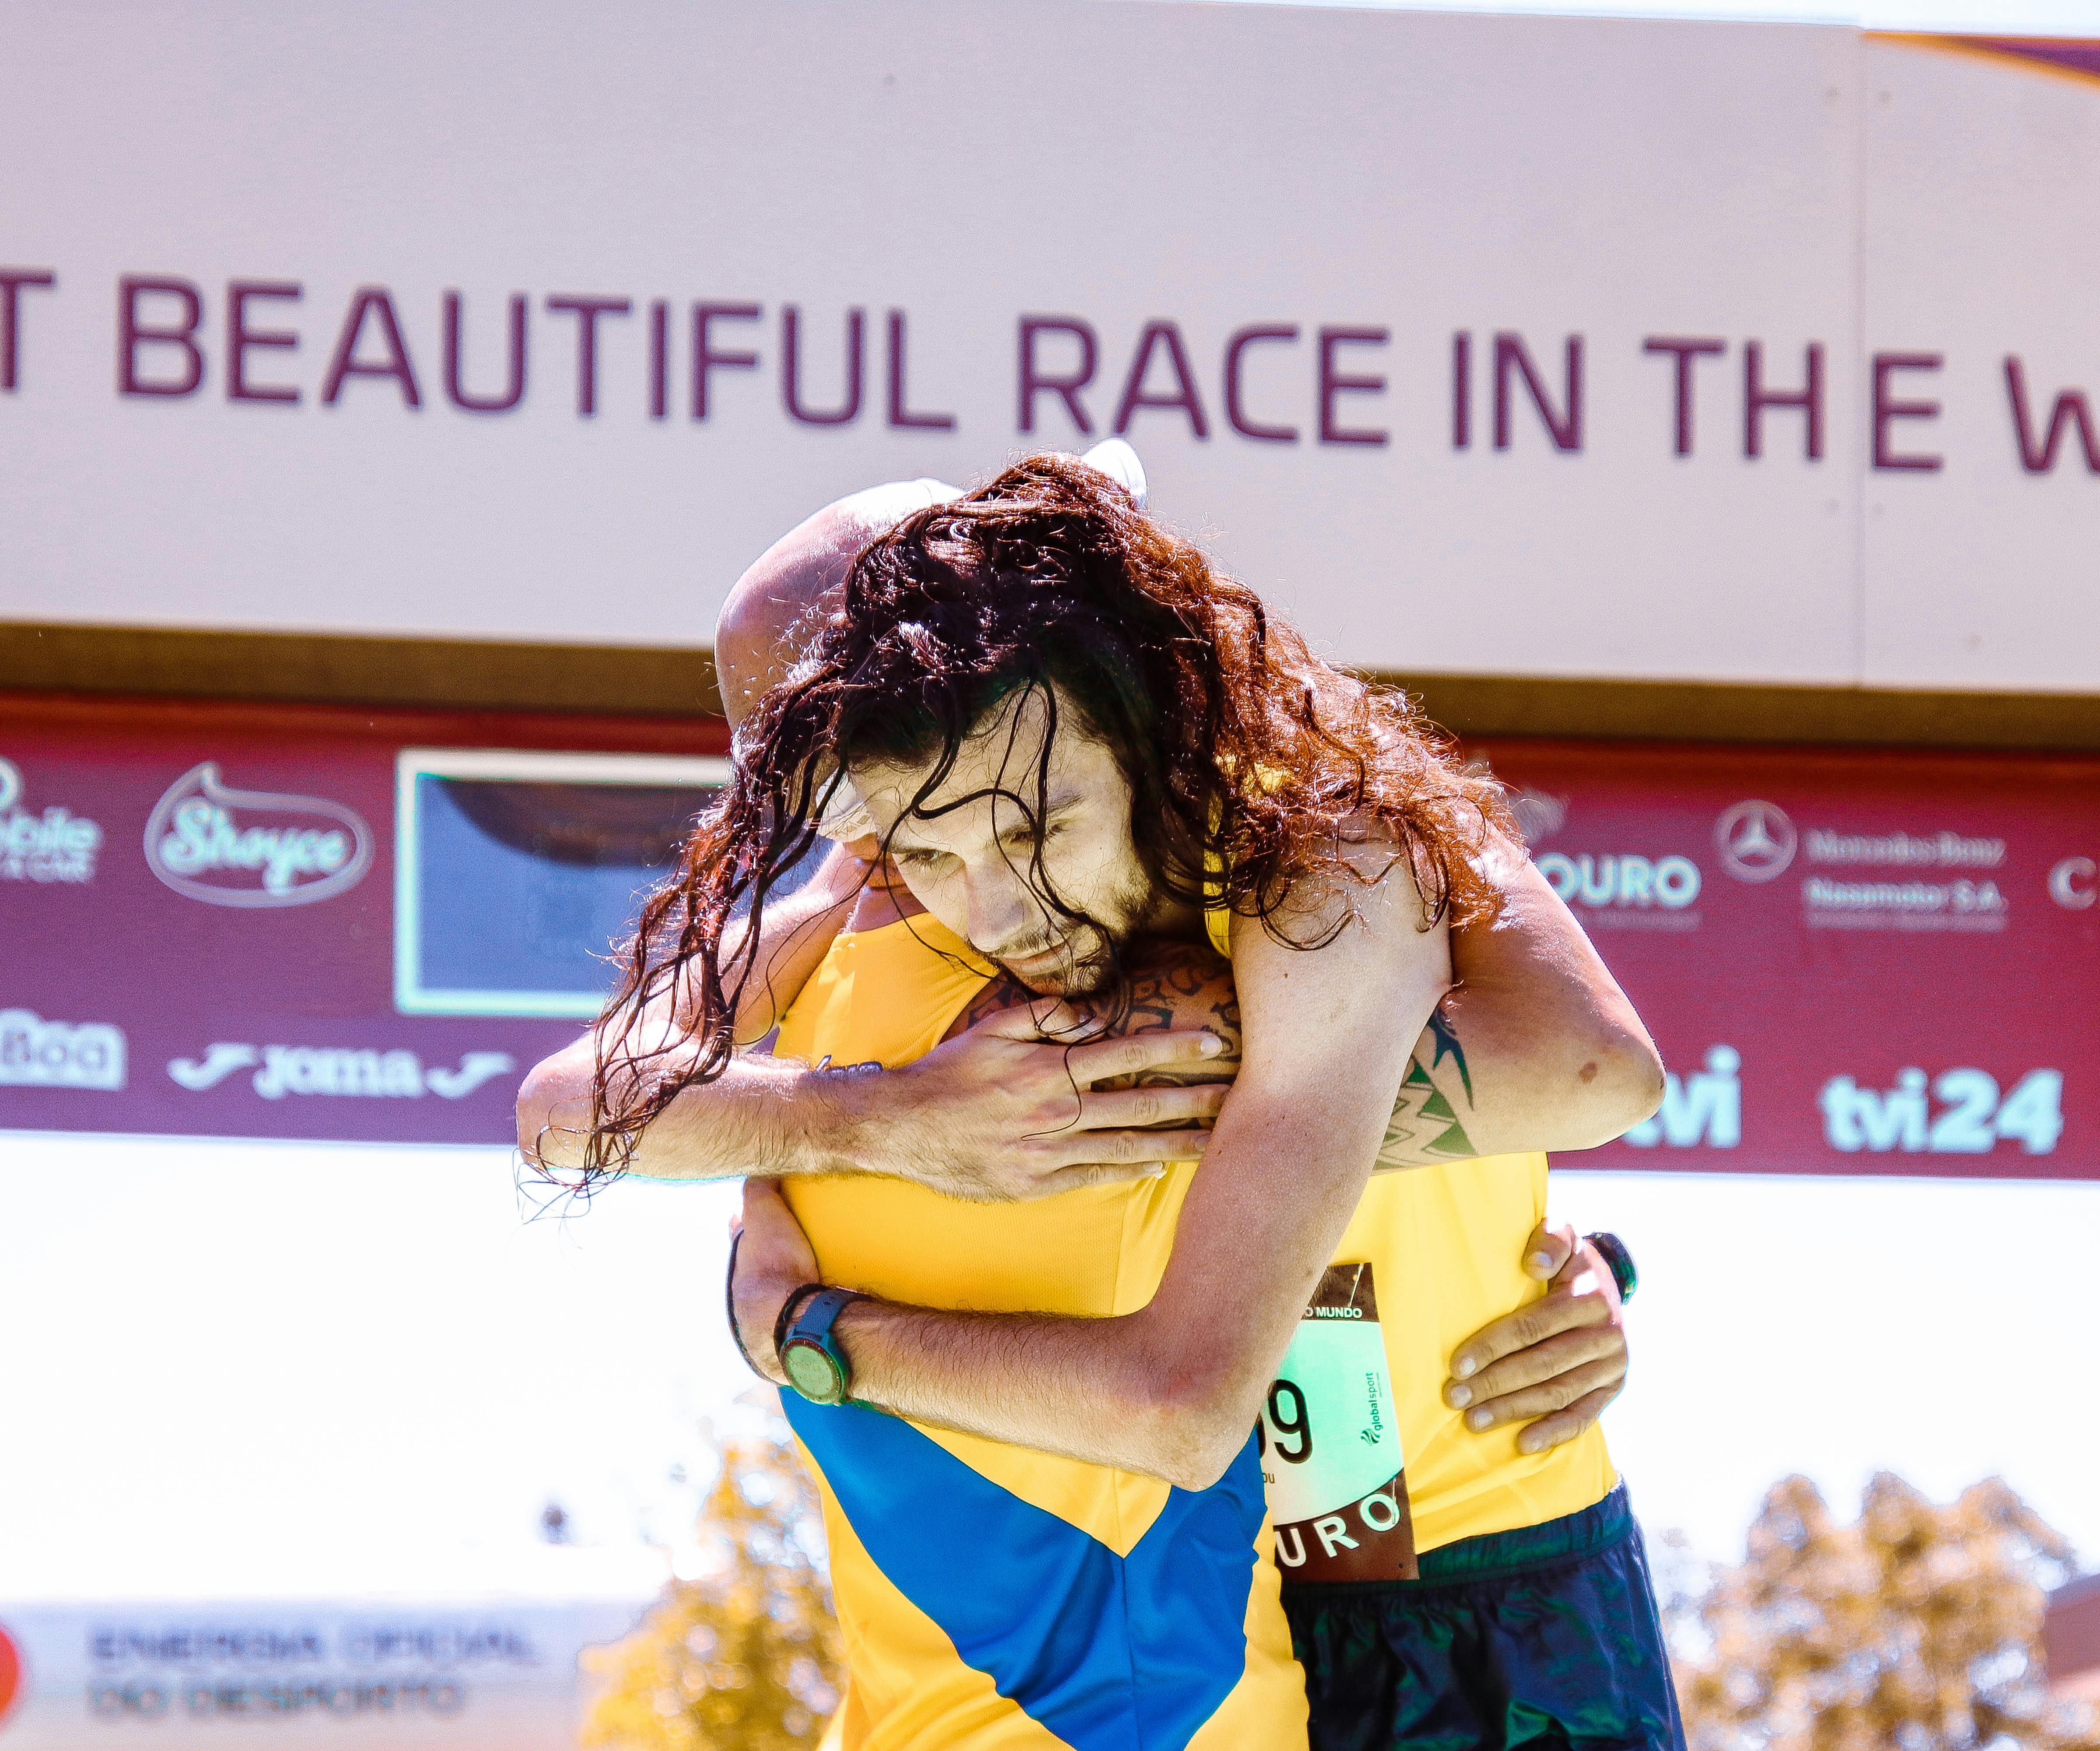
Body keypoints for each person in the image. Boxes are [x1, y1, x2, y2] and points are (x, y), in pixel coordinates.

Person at [519, 452, 1682, 1750]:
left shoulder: (1329, 799)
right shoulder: (877, 880)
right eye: (852, 800)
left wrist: (810, 1330)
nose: (978, 888)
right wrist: (884, 1117)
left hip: (1479, 1549)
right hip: (1247, 1614)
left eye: (1018, 820)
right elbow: (572, 1106)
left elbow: (1595, 1070)